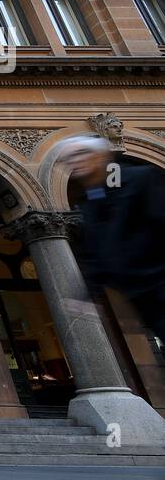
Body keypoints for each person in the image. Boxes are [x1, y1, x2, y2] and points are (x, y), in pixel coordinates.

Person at [60, 134, 165, 343]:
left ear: (101, 156)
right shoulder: (91, 200)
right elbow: (94, 257)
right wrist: (86, 296)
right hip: (142, 295)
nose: (75, 162)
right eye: (69, 158)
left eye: (81, 153)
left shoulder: (141, 178)